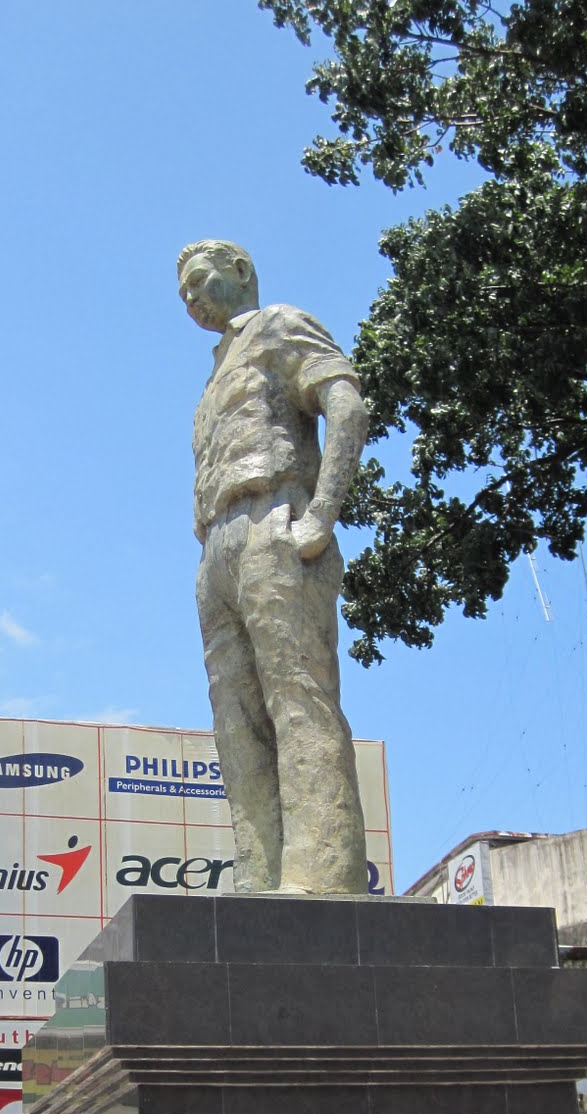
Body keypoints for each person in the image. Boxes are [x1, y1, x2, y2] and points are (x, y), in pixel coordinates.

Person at [178, 239, 369, 895]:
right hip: (216, 548)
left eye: (200, 280)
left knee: (299, 702)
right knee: (236, 720)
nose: (192, 298)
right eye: (183, 293)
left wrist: (323, 513)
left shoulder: (280, 324)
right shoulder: (211, 376)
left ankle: (321, 877)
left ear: (241, 271)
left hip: (276, 517)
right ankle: (259, 876)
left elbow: (346, 405)